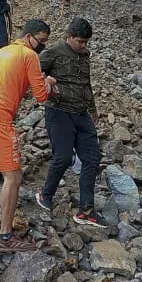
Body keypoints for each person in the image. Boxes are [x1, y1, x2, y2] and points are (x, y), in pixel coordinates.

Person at [0, 19, 56, 253]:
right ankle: (5, 237)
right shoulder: (29, 56)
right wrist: (49, 83)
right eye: (41, 41)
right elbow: (41, 97)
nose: (42, 47)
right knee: (13, 178)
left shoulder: (4, 50)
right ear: (29, 37)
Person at [36, 17, 109, 229]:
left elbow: (86, 83)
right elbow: (32, 70)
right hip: (58, 111)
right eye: (80, 41)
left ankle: (86, 210)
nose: (83, 46)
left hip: (82, 113)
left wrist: (93, 110)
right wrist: (45, 83)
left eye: (86, 42)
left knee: (92, 159)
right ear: (69, 37)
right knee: (64, 157)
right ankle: (45, 194)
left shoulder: (85, 55)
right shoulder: (53, 53)